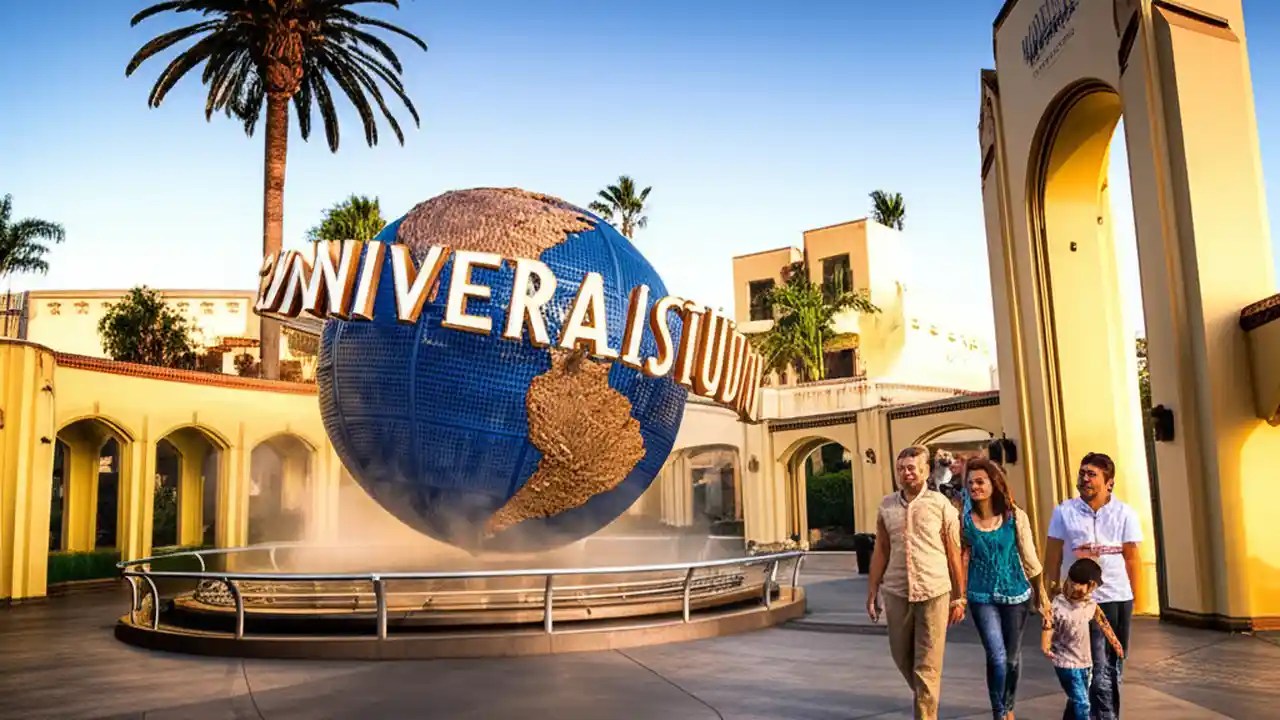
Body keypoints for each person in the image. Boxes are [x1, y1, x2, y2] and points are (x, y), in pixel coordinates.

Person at [866, 445, 967, 720]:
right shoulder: (886, 505)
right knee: (901, 656)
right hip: (897, 590)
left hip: (934, 590)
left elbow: (953, 550)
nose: (906, 473)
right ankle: (926, 694)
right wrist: (872, 589)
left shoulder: (940, 505)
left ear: (925, 471)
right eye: (901, 468)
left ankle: (925, 713)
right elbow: (881, 550)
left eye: (912, 468)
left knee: (928, 664)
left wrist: (960, 596)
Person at [1044, 452, 1143, 720]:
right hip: (1078, 602)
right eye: (1082, 473)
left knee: (1110, 668)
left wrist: (1137, 599)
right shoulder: (1064, 512)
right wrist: (1049, 596)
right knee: (1087, 668)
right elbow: (1052, 555)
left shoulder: (1125, 513)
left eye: (1092, 474)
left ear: (1109, 482)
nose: (1084, 479)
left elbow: (1133, 558)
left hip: (1115, 598)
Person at [961, 458, 1050, 720]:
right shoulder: (964, 521)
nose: (975, 487)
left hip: (1016, 595)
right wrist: (957, 595)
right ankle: (999, 713)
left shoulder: (1014, 517)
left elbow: (1030, 559)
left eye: (980, 482)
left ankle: (1008, 705)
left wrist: (1041, 597)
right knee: (996, 655)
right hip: (981, 595)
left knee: (1011, 658)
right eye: (970, 483)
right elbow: (958, 557)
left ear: (993, 483)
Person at [1041, 558, 1126, 720]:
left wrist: (1116, 643)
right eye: (1073, 583)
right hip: (1065, 662)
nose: (1076, 588)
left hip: (1085, 662)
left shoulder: (1090, 604)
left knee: (1076, 700)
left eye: (1082, 585)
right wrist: (1045, 644)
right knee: (1082, 703)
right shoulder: (1058, 604)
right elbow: (1048, 624)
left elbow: (1103, 622)